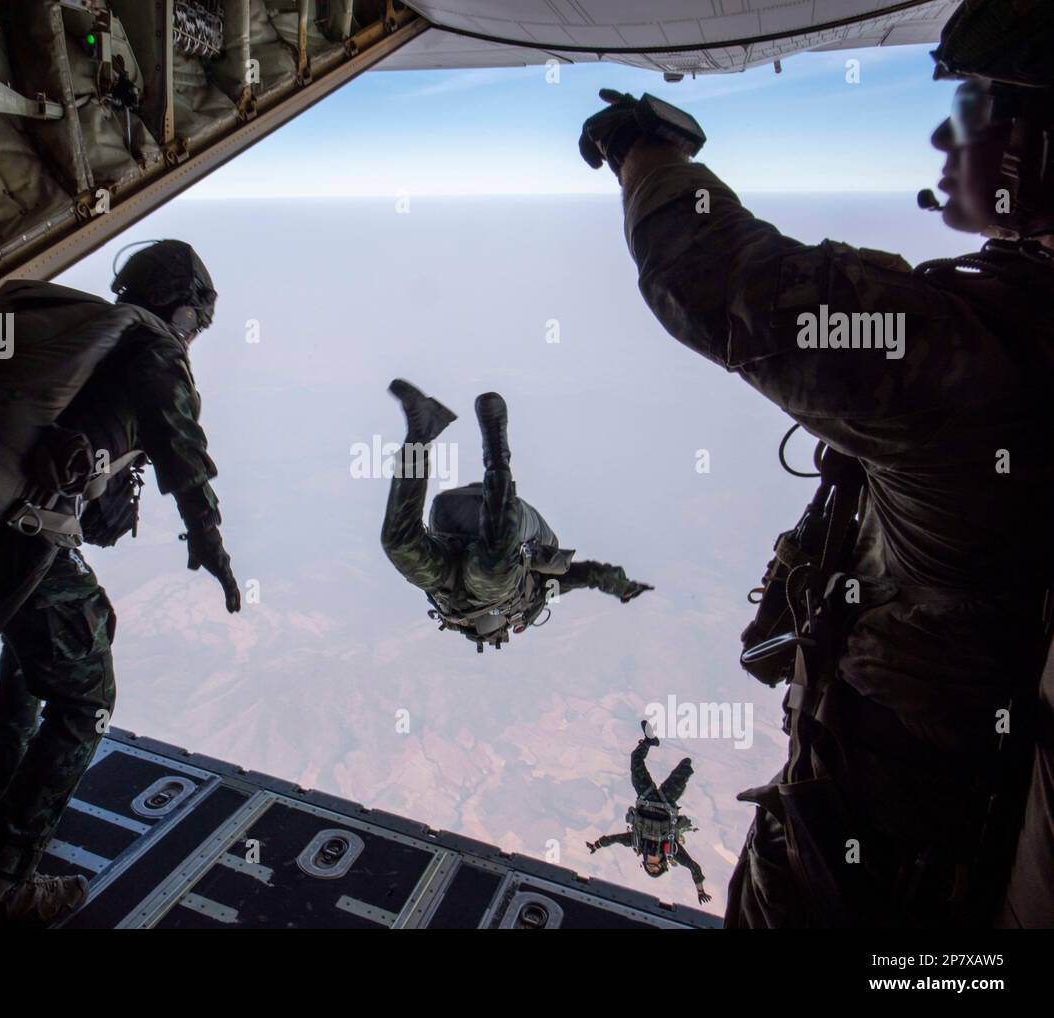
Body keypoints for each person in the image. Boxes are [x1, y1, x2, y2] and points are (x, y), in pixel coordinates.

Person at [577, 0, 1054, 927]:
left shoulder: (988, 357)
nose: (943, 135)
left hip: (884, 869)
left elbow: (717, 278)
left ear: (1035, 149)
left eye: (977, 109)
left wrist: (644, 146)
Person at [0, 239, 241, 926]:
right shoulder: (153, 347)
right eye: (196, 328)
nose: (193, 342)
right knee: (87, 702)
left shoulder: (75, 339)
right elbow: (180, 441)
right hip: (13, 542)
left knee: (42, 649)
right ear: (182, 312)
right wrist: (209, 538)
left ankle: (8, 799)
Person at [380, 380, 650, 652]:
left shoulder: (457, 612)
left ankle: (421, 430)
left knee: (398, 545)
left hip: (449, 566)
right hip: (503, 545)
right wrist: (623, 587)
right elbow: (590, 575)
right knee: (491, 570)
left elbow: (591, 577)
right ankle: (496, 445)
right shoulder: (539, 593)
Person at [588, 722, 711, 905]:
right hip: (666, 801)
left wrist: (597, 845)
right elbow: (693, 866)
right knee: (687, 765)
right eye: (656, 869)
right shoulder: (672, 851)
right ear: (663, 865)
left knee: (635, 759)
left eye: (649, 868)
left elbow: (613, 839)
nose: (652, 866)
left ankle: (649, 741)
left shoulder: (637, 842)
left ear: (644, 863)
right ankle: (705, 745)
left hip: (646, 796)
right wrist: (700, 890)